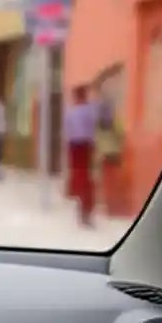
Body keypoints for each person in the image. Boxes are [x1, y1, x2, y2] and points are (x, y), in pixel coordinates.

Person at [64, 85, 100, 227]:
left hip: (74, 146)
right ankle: (85, 210)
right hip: (85, 145)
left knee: (79, 175)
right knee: (86, 177)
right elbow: (94, 126)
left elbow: (68, 131)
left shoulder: (71, 112)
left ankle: (82, 209)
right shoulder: (90, 110)